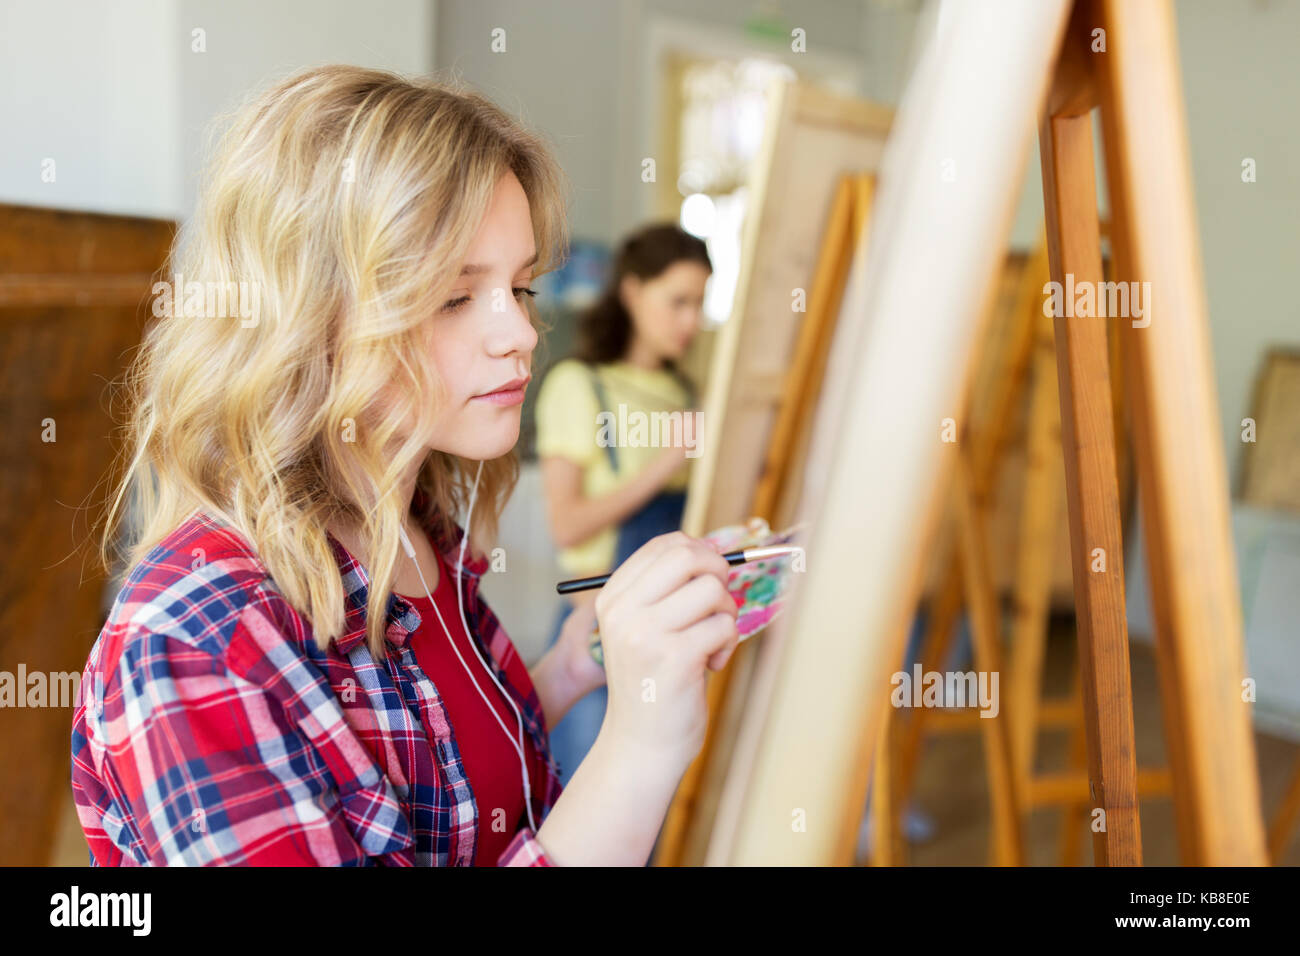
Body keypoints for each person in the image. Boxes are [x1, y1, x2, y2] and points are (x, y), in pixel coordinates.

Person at [68, 65, 738, 867]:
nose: (521, 334)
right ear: (306, 318)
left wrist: (561, 676)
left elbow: (431, 778)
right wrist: (640, 749)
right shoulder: (192, 643)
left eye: (520, 288)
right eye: (454, 297)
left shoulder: (418, 530)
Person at [534, 223, 710, 785]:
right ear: (633, 292)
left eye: (700, 304)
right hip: (597, 633)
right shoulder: (579, 384)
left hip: (673, 630)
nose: (692, 321)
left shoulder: (687, 394)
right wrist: (666, 463)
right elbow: (567, 525)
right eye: (677, 301)